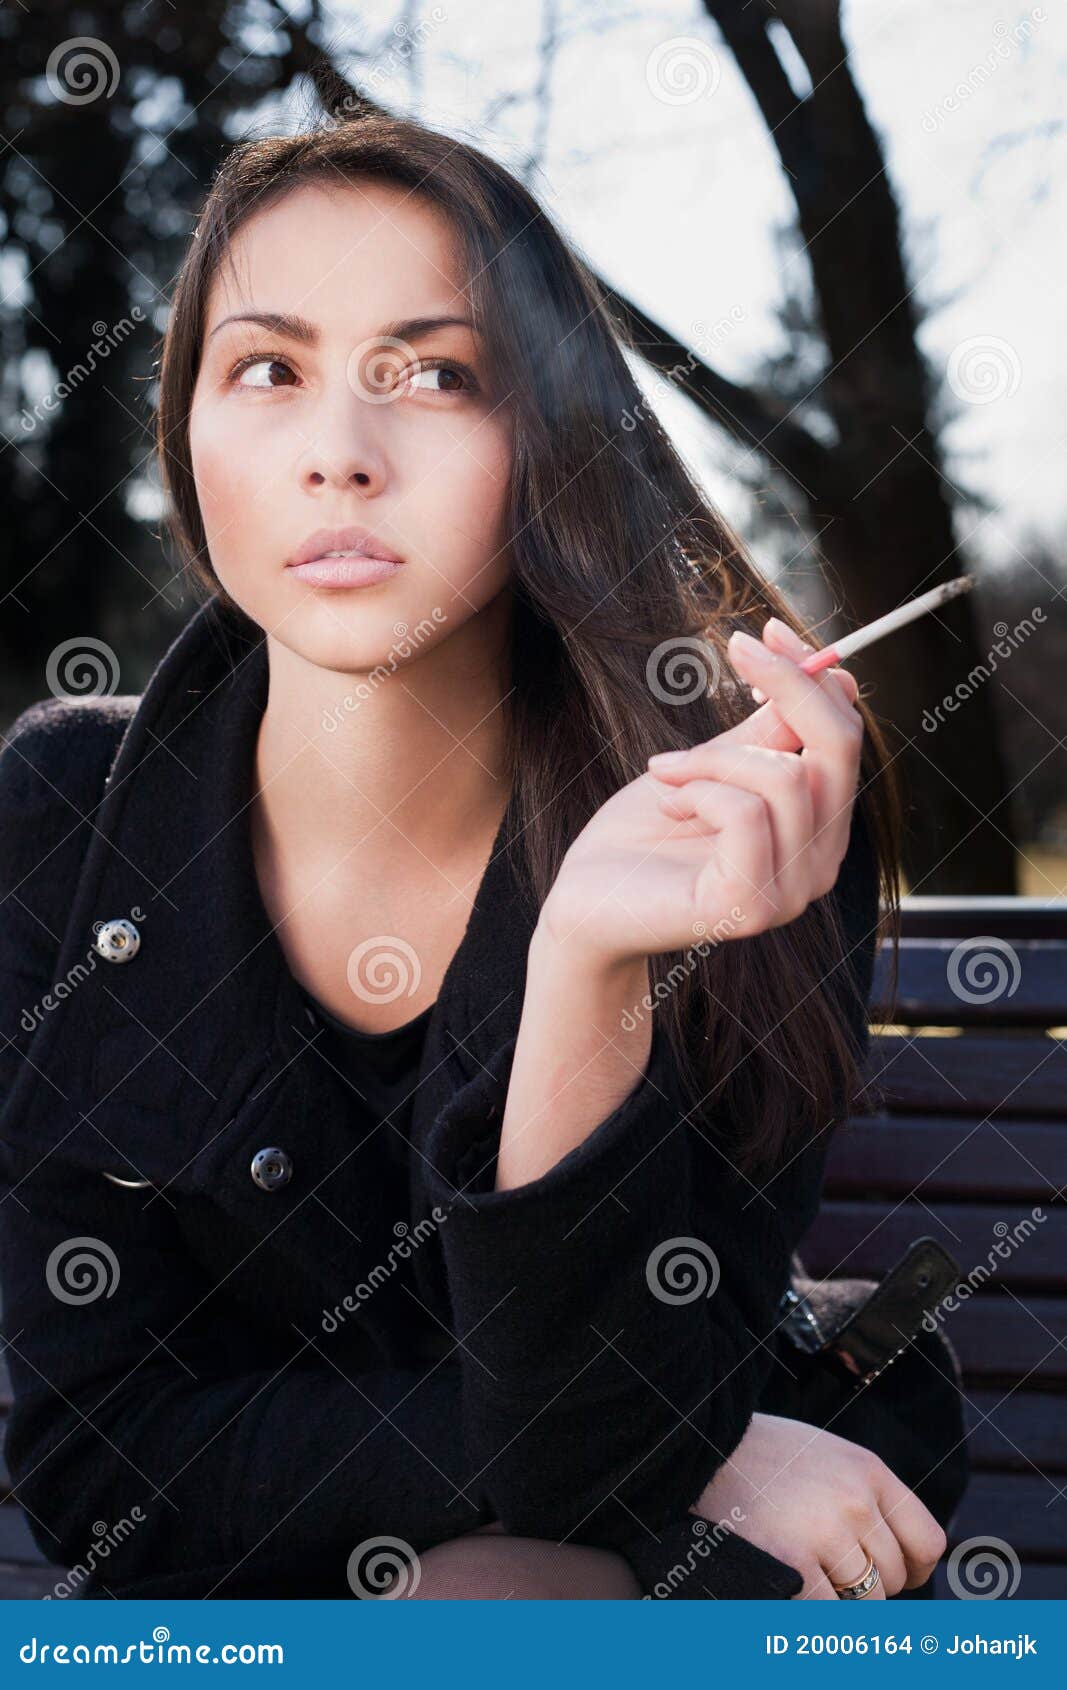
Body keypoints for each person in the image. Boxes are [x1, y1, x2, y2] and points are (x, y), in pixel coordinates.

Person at [0, 111, 947, 1602]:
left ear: (547, 441)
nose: (339, 456)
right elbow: (99, 1459)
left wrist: (584, 970)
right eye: (269, 370)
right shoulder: (63, 814)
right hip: (247, 1607)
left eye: (435, 374)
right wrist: (694, 1446)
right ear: (185, 429)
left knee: (498, 1591)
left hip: (636, 1593)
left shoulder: (732, 817)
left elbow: (611, 1422)